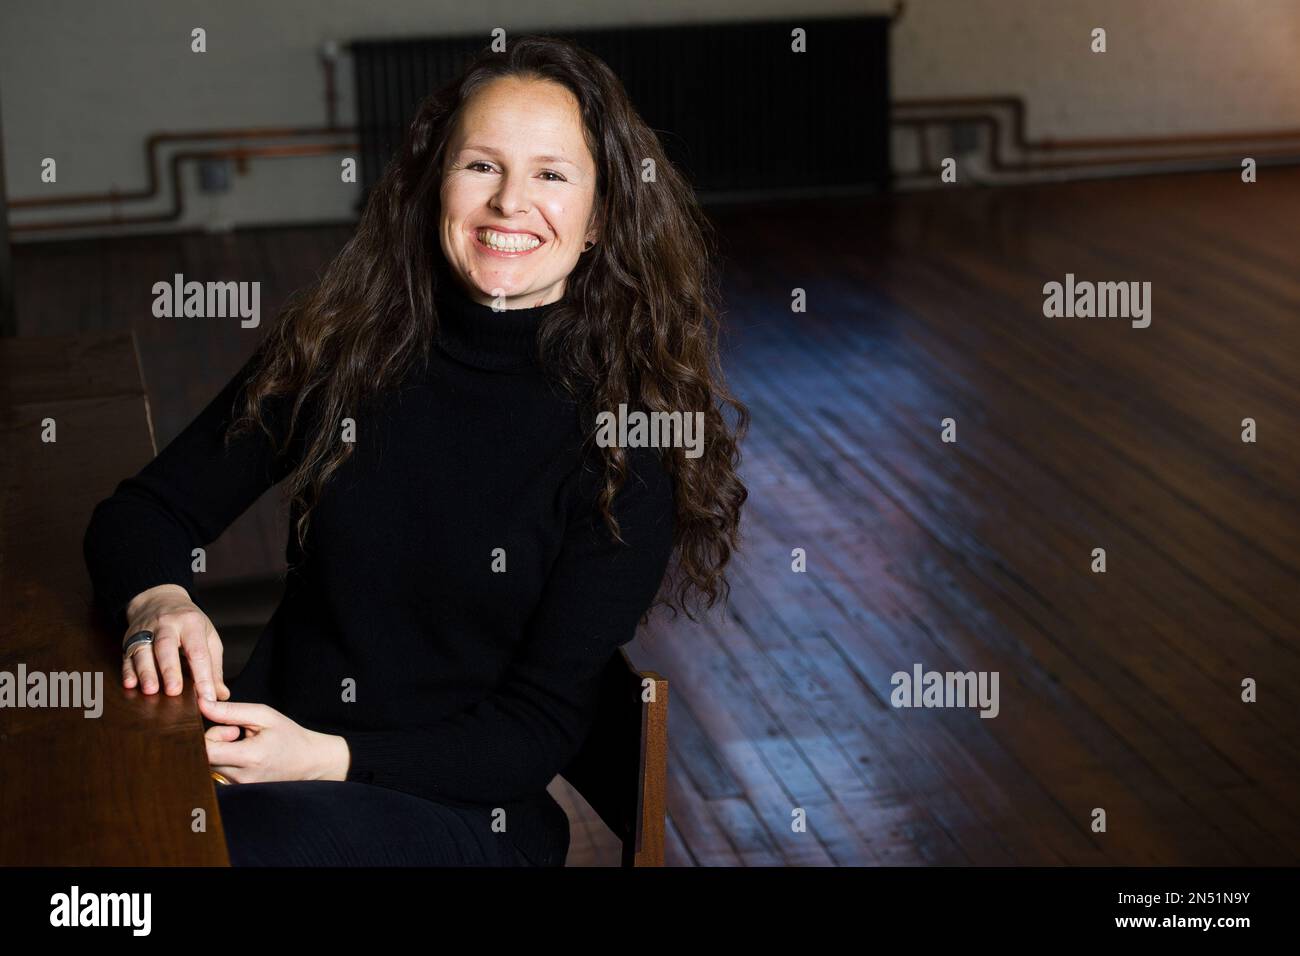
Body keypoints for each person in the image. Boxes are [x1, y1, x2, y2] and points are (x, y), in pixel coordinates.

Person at [82, 35, 748, 867]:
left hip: (451, 810)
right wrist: (158, 601)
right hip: (253, 759)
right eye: (481, 166)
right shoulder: (345, 350)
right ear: (437, 184)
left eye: (551, 174)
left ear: (601, 218)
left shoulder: (628, 444)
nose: (509, 203)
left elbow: (531, 733)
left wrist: (321, 758)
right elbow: (146, 511)